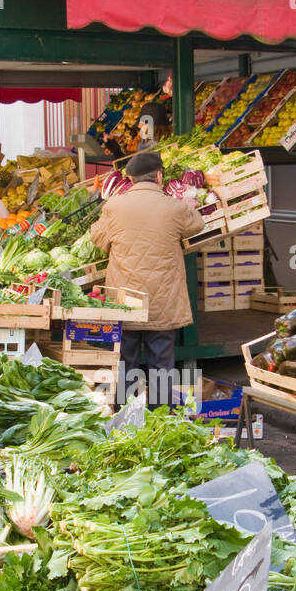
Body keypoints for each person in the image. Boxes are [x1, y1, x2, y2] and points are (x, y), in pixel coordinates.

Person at [90, 150, 204, 408]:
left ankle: (124, 416)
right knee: (162, 362)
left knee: (125, 360)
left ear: (130, 179)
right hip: (162, 300)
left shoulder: (114, 206)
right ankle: (161, 417)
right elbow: (196, 225)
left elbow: (97, 238)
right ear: (159, 176)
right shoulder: (174, 207)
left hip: (125, 301)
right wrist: (190, 206)